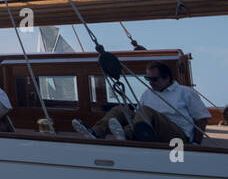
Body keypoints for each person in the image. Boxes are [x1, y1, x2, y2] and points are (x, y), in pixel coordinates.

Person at [72, 61, 209, 143]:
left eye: (154, 79)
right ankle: (96, 132)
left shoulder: (185, 92)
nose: (150, 82)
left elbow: (202, 118)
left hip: (177, 136)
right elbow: (138, 114)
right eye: (147, 79)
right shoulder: (147, 93)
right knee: (121, 109)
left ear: (167, 78)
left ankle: (126, 134)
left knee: (145, 111)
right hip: (149, 130)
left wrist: (196, 143)